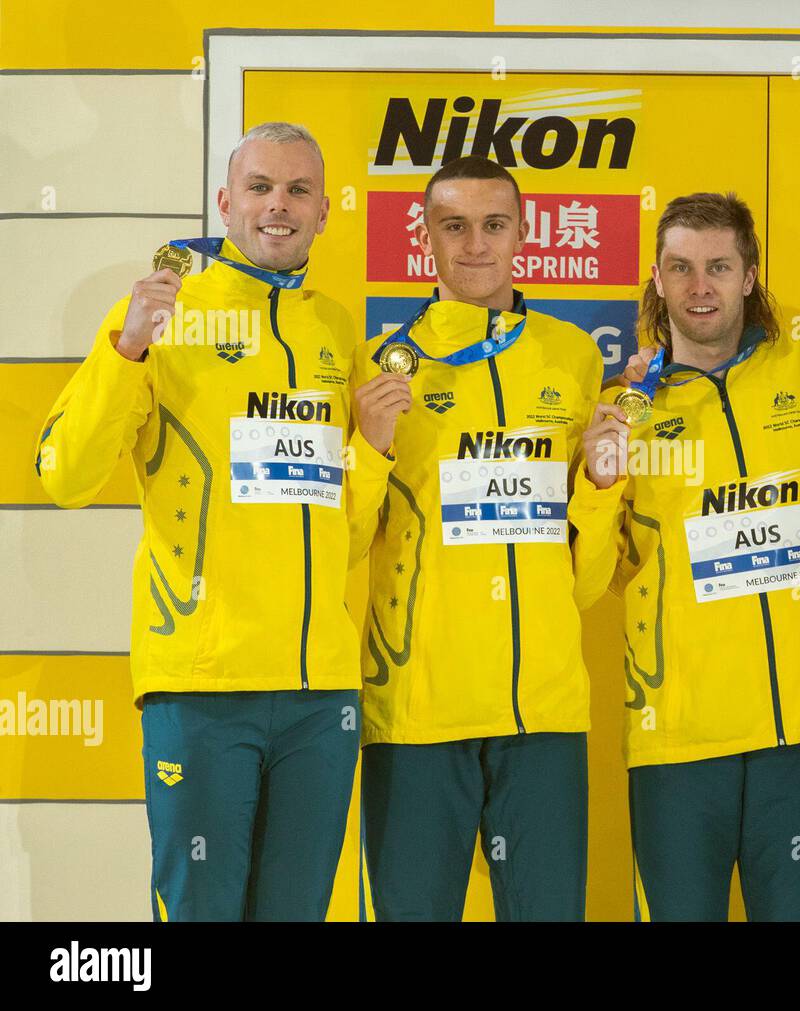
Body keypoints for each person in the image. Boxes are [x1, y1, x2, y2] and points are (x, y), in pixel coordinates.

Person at [34, 122, 394, 921]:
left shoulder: (337, 331)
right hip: (201, 685)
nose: (279, 205)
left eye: (299, 189)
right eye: (261, 187)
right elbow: (64, 475)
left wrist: (371, 454)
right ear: (226, 203)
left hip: (318, 694)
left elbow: (350, 532)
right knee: (200, 909)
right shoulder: (164, 314)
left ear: (326, 210)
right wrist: (126, 349)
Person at [571, 192, 800, 921]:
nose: (698, 286)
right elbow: (583, 583)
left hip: (797, 735)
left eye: (717, 266)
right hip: (679, 739)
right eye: (680, 268)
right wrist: (597, 483)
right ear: (656, 278)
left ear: (749, 274)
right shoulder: (625, 410)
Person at [349, 156, 604, 921]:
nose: (475, 245)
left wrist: (599, 491)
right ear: (424, 235)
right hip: (419, 709)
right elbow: (345, 539)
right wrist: (368, 451)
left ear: (524, 232)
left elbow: (584, 571)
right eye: (453, 225)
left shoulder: (574, 357)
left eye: (494, 224)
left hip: (544, 712)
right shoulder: (379, 368)